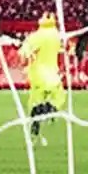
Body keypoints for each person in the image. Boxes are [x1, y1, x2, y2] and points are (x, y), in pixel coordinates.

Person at [19, 13, 67, 147]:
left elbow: (24, 53)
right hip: (51, 74)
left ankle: (36, 126)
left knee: (36, 101)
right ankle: (46, 112)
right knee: (58, 99)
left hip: (37, 74)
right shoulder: (56, 35)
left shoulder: (37, 36)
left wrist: (27, 57)